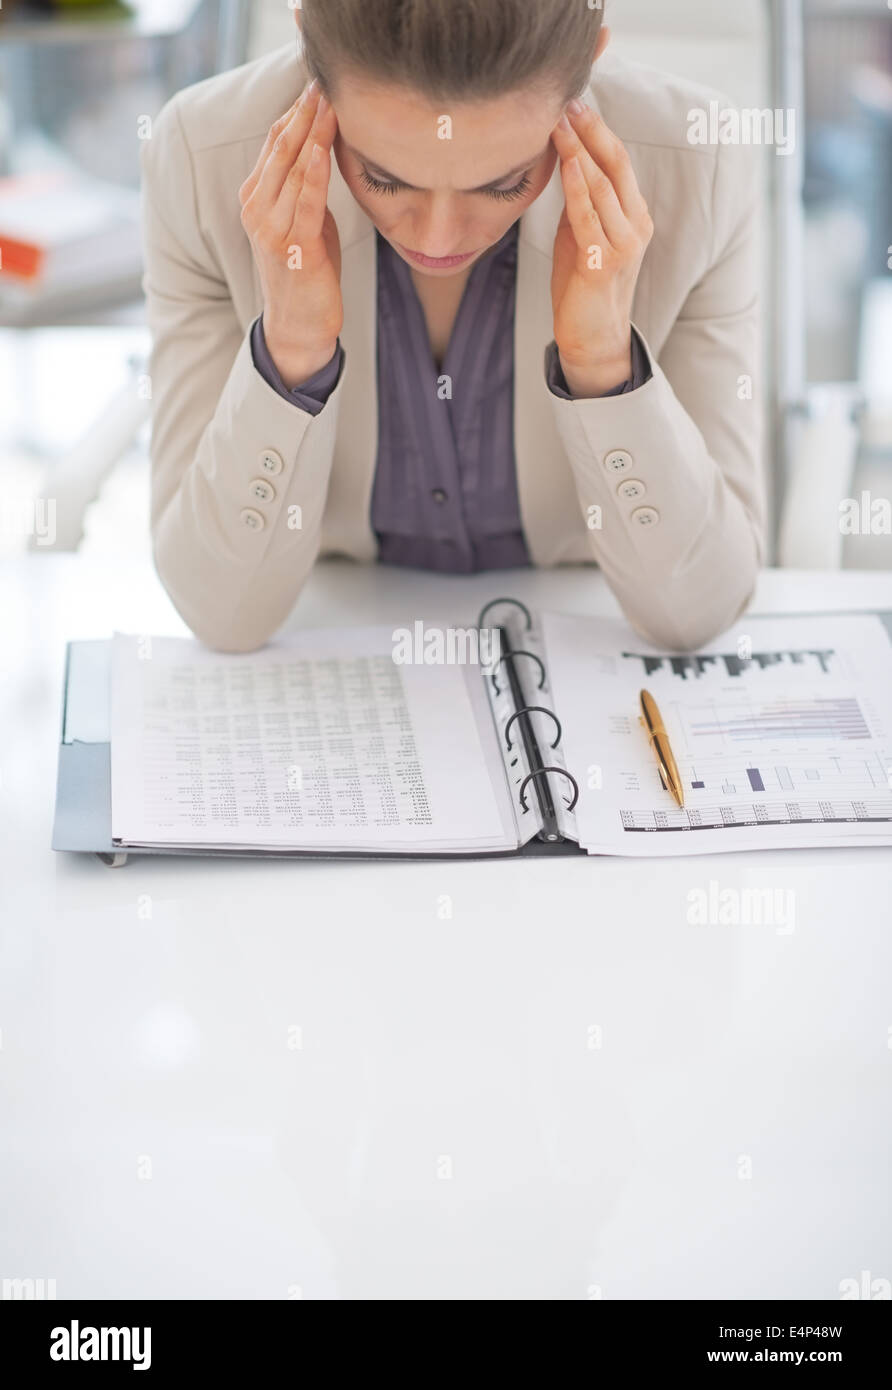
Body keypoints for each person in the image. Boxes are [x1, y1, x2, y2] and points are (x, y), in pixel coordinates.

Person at [140, 0, 764, 653]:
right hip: (337, 635)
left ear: (586, 69)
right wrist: (291, 348)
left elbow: (700, 609)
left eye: (502, 184)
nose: (438, 240)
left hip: (578, 650)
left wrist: (603, 363)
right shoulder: (198, 159)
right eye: (383, 178)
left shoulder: (702, 166)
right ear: (309, 59)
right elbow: (220, 614)